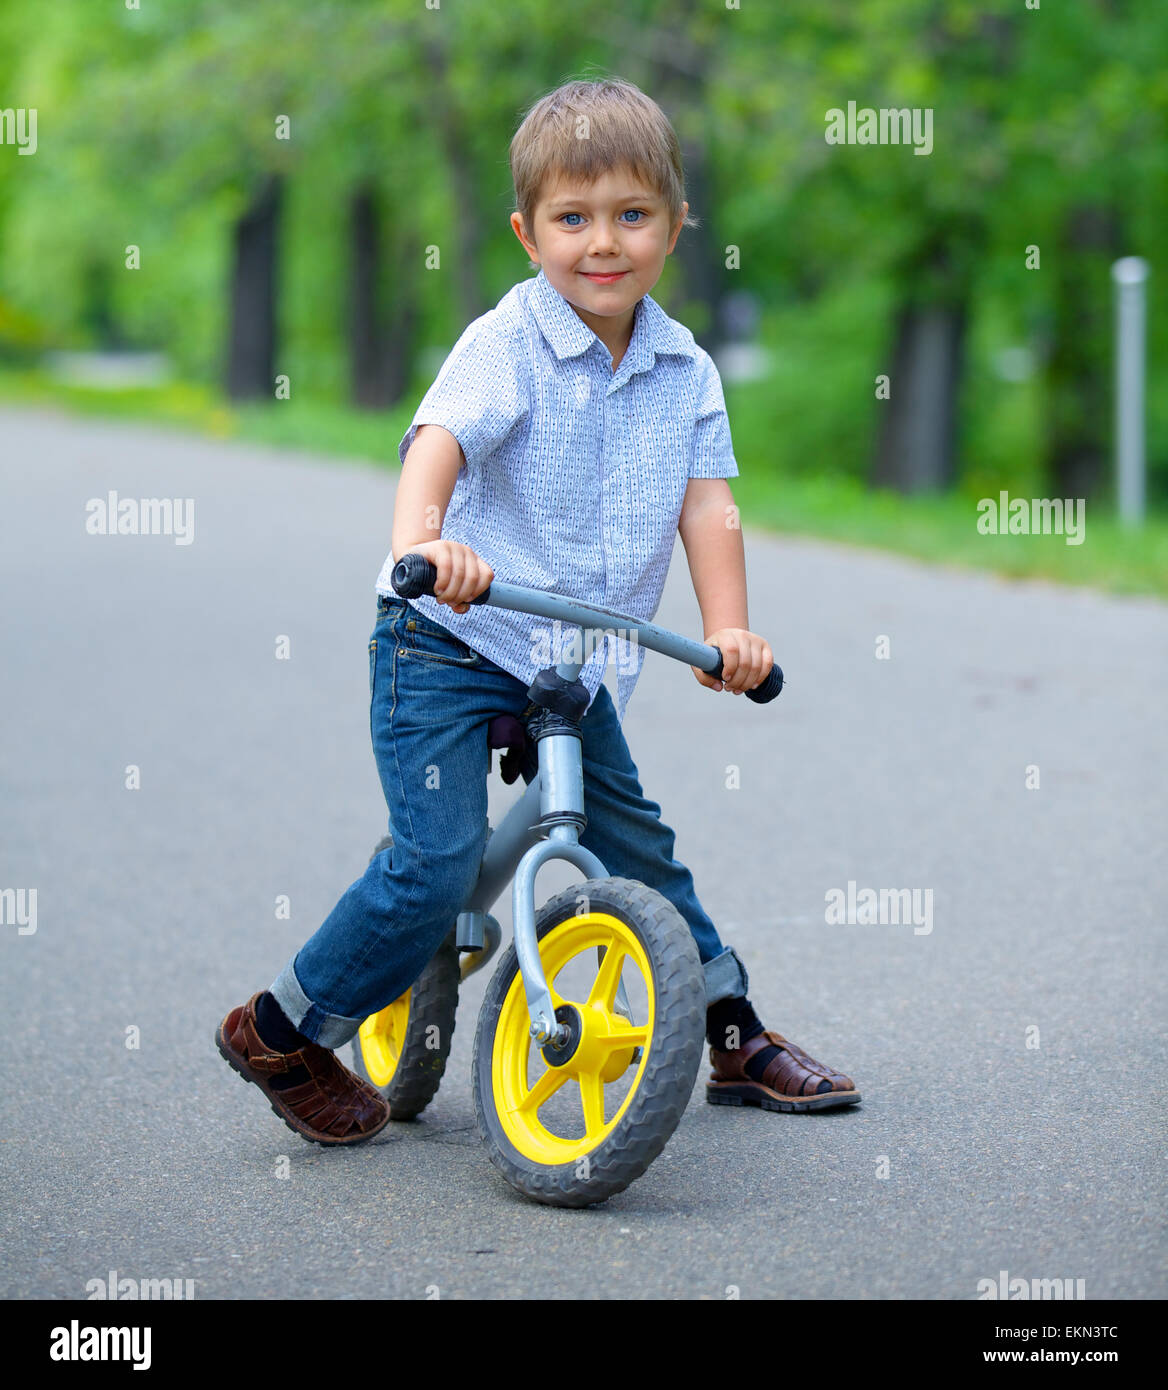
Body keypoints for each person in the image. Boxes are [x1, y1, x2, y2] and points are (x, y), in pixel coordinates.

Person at [216, 75, 859, 1146]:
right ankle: (283, 1026)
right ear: (527, 233)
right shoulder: (507, 343)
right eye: (572, 218)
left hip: (576, 660)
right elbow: (438, 445)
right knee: (432, 860)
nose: (601, 243)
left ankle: (731, 1031)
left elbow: (709, 503)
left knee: (640, 852)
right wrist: (425, 544)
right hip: (451, 638)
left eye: (630, 216)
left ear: (674, 224)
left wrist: (729, 626)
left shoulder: (684, 369)